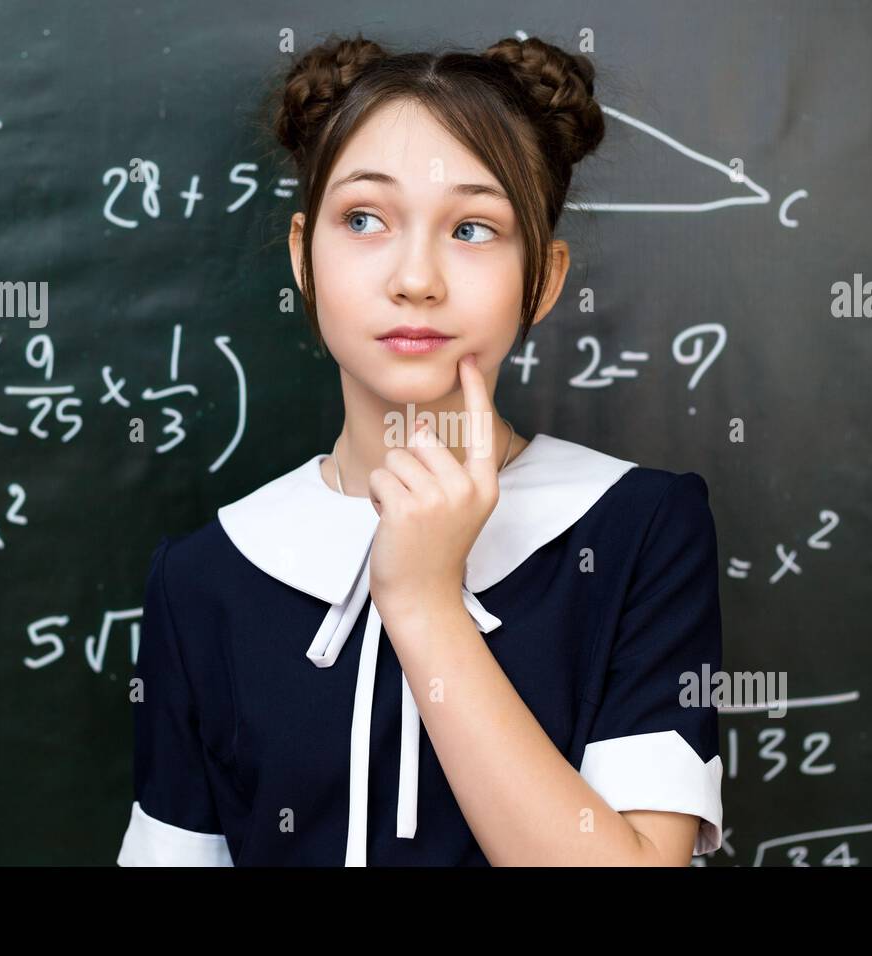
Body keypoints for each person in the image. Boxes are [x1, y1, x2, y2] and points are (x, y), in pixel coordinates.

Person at [117, 33, 723, 866]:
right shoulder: (205, 575)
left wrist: (426, 600)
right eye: (364, 219)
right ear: (305, 257)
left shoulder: (637, 527)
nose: (416, 278)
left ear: (542, 280)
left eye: (473, 228)